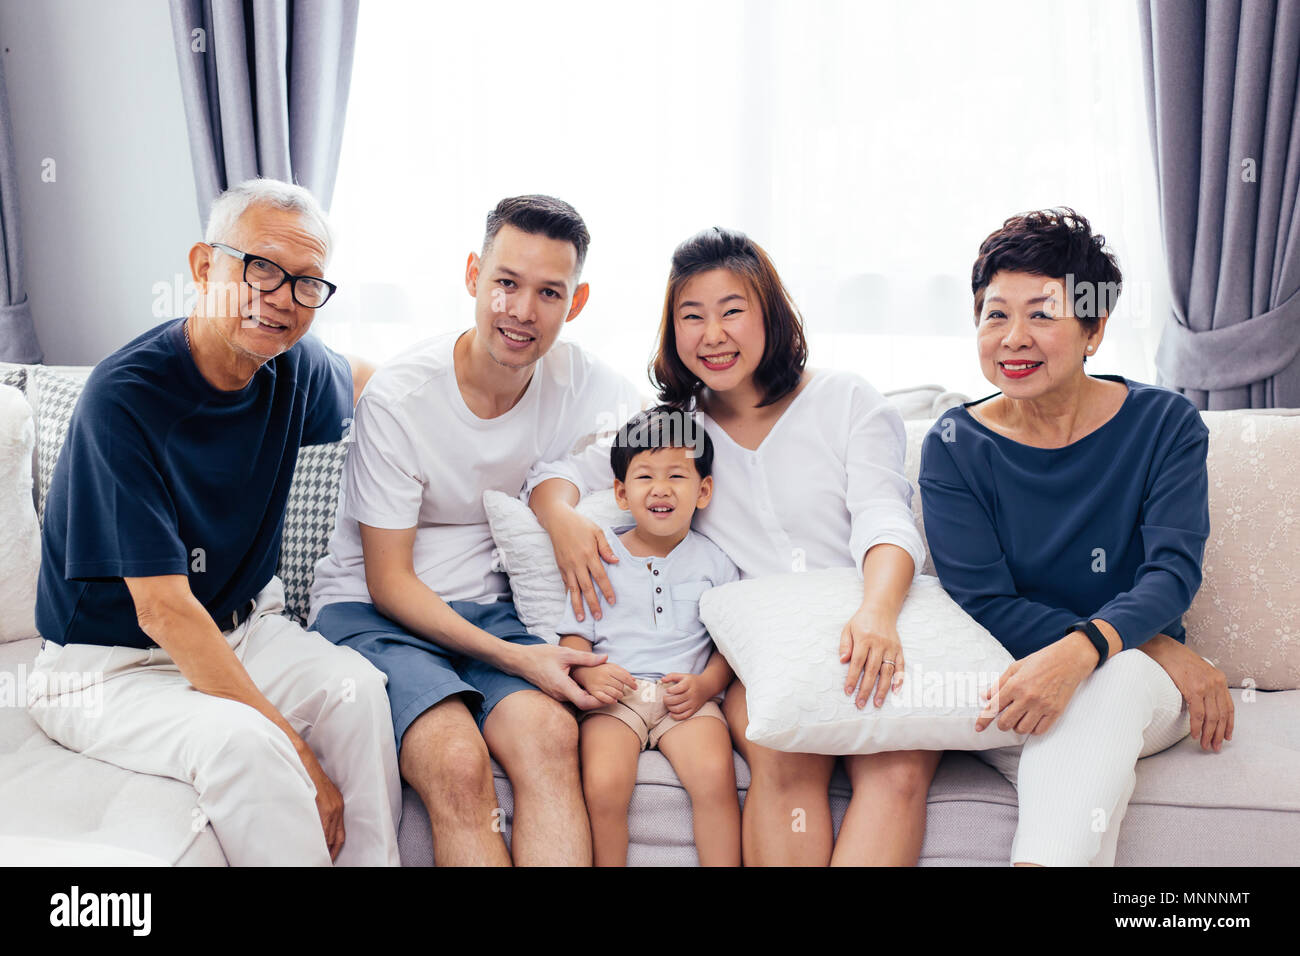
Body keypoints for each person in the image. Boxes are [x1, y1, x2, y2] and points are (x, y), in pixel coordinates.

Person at [528, 226, 938, 866]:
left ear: (769, 314)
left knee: (899, 773)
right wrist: (564, 521)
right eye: (691, 316)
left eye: (731, 311)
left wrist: (878, 613)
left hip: (864, 622)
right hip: (761, 648)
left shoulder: (847, 399)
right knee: (779, 752)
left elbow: (886, 518)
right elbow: (556, 476)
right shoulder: (674, 432)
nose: (711, 335)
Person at [27, 178, 401, 866]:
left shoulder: (293, 365)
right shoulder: (124, 400)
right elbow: (165, 613)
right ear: (204, 267)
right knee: (248, 745)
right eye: (259, 267)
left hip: (241, 630)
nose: (281, 298)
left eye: (307, 282)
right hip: (109, 669)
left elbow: (386, 385)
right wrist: (303, 761)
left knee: (358, 697)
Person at [308, 195, 643, 866]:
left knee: (551, 737)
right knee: (458, 763)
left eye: (548, 292)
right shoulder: (403, 398)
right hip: (373, 614)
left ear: (574, 305)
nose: (522, 311)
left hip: (490, 614)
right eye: (506, 283)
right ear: (473, 276)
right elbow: (389, 581)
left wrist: (557, 505)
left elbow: (661, 455)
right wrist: (524, 660)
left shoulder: (585, 383)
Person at [918, 207, 1233, 867]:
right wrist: (1137, 643)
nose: (1013, 337)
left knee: (1113, 686)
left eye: (1041, 314)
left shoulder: (1164, 424)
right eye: (995, 314)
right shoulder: (953, 444)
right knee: (1090, 769)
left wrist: (1094, 651)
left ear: (1094, 329)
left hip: (1135, 686)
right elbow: (985, 601)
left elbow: (1171, 574)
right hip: (1017, 681)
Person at [558, 406, 741, 866]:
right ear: (621, 492)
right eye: (644, 477)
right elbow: (574, 641)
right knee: (602, 782)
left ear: (703, 491)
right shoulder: (599, 556)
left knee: (715, 777)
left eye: (677, 475)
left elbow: (730, 648)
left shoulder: (716, 562)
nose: (660, 488)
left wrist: (706, 686)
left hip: (688, 698)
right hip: (616, 696)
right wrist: (588, 677)